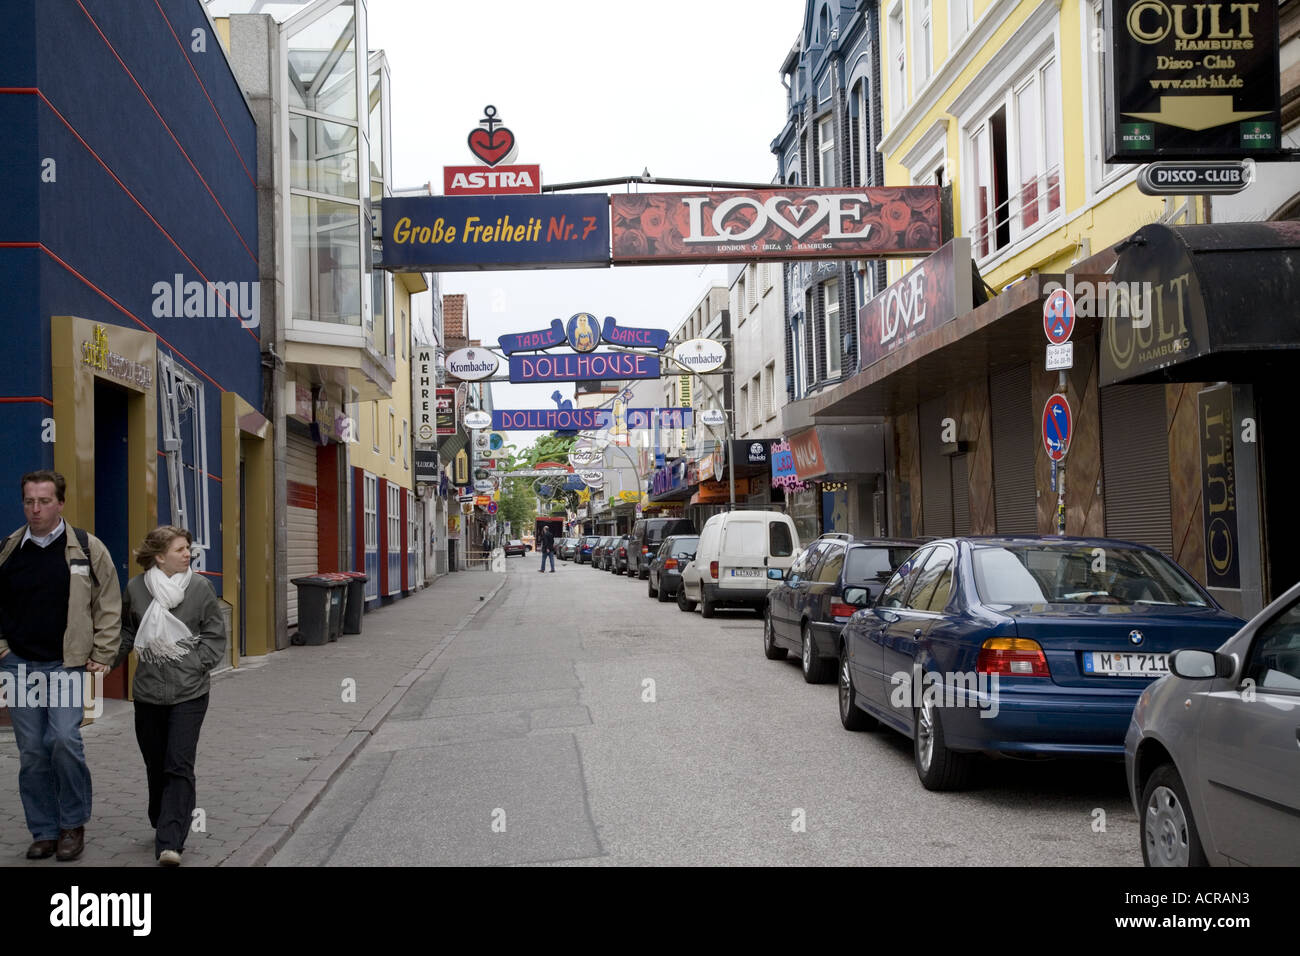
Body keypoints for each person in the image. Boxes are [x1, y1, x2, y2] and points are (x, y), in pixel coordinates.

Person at [0, 470, 120, 862]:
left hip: (65, 665)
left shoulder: (86, 547)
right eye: (29, 501)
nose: (36, 509)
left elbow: (108, 602)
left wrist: (103, 651)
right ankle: (45, 831)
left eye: (44, 501)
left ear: (61, 503)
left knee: (65, 741)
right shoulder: (8, 550)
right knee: (32, 750)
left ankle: (72, 824)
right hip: (18, 665)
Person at [113, 526, 225, 866]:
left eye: (188, 547)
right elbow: (127, 630)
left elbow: (215, 635)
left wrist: (195, 664)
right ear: (160, 556)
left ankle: (170, 842)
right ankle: (161, 818)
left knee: (178, 763)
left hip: (189, 692)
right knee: (156, 763)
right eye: (180, 549)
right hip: (147, 692)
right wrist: (106, 660)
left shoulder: (200, 587)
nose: (187, 553)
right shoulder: (136, 587)